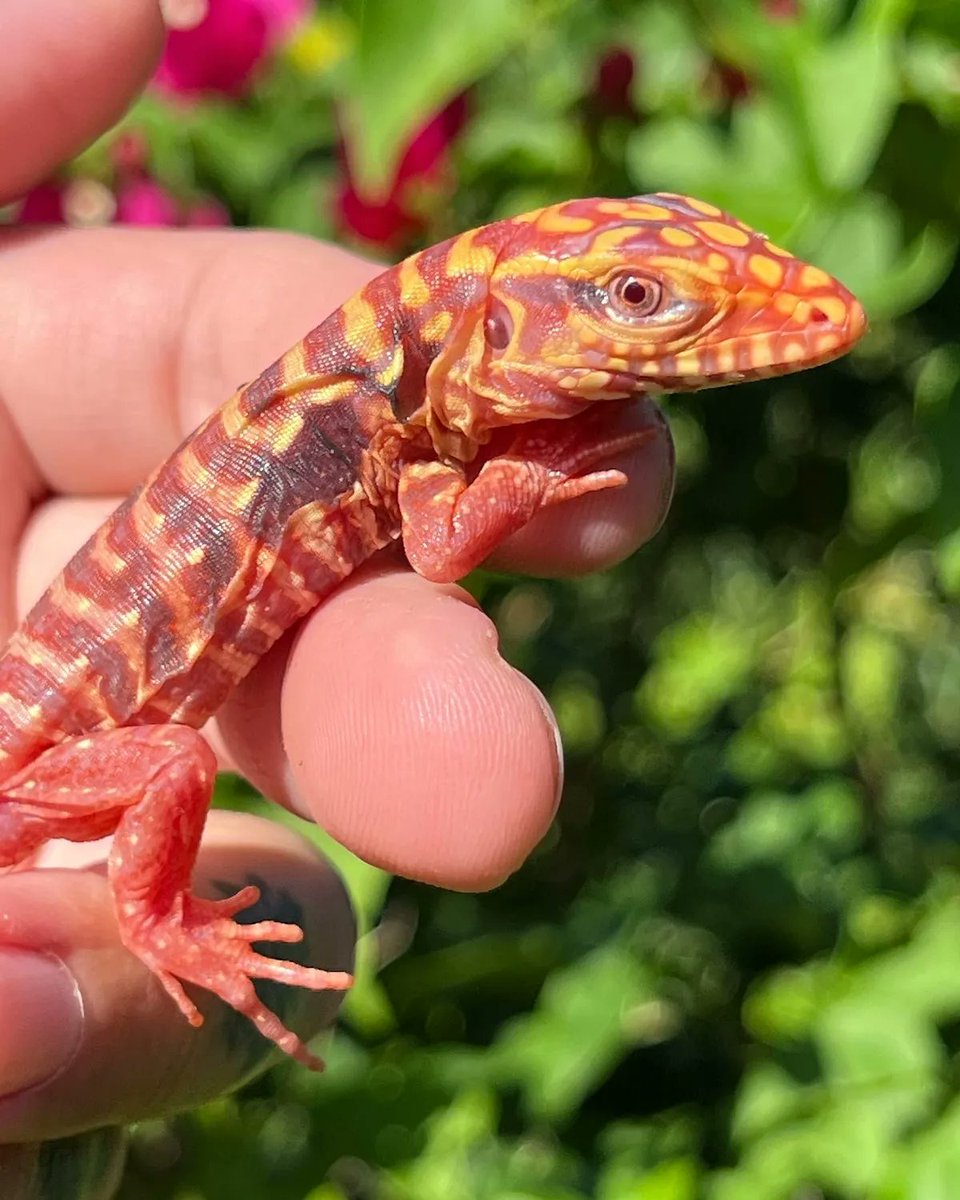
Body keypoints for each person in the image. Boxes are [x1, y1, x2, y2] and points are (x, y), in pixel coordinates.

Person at [0, 1, 675, 1192]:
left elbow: (433, 531)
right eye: (631, 298)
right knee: (173, 761)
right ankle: (149, 923)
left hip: (45, 708)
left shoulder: (383, 406)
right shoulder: (377, 403)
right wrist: (522, 479)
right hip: (40, 759)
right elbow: (444, 545)